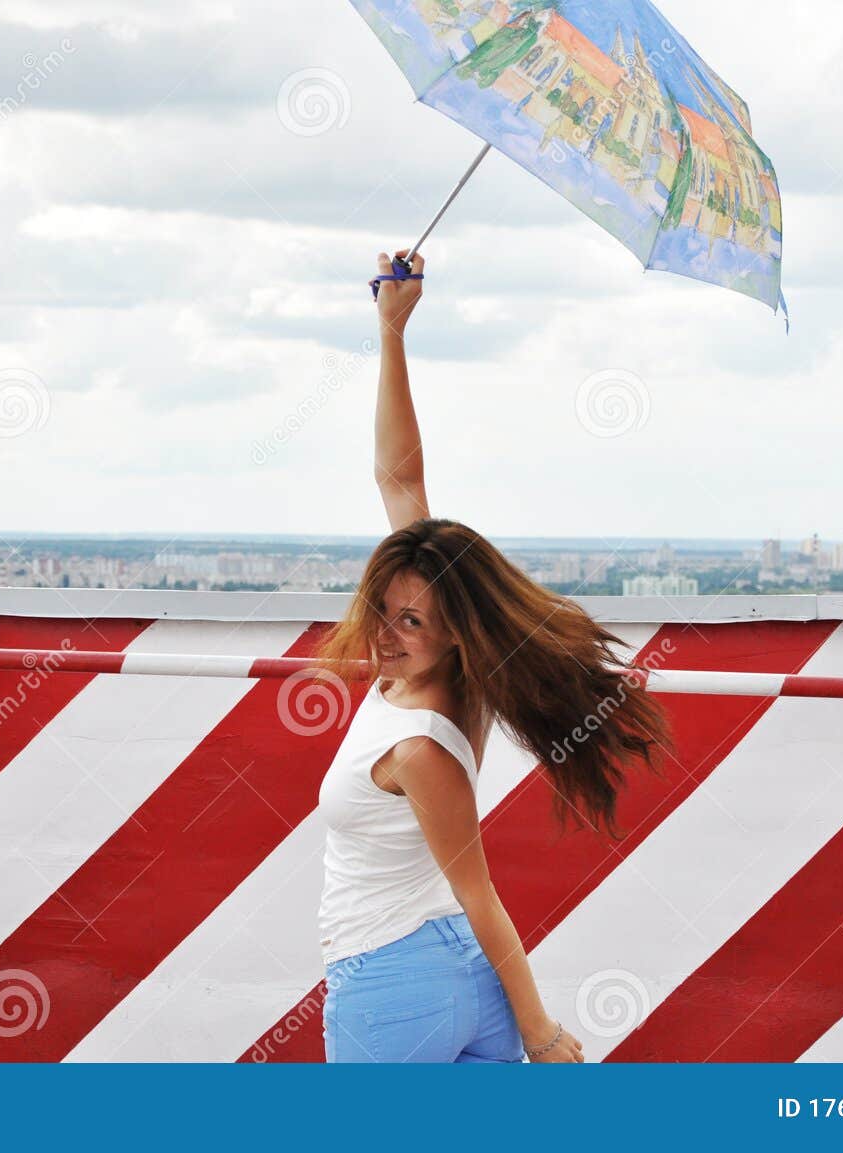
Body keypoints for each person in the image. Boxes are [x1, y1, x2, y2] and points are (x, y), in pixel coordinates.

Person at [314, 249, 675, 1063]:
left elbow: (480, 894)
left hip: (394, 989)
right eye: (383, 608)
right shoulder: (446, 687)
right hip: (451, 975)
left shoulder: (418, 745)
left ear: (453, 635)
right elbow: (398, 477)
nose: (383, 631)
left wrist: (541, 1033)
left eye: (410, 622)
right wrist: (392, 330)